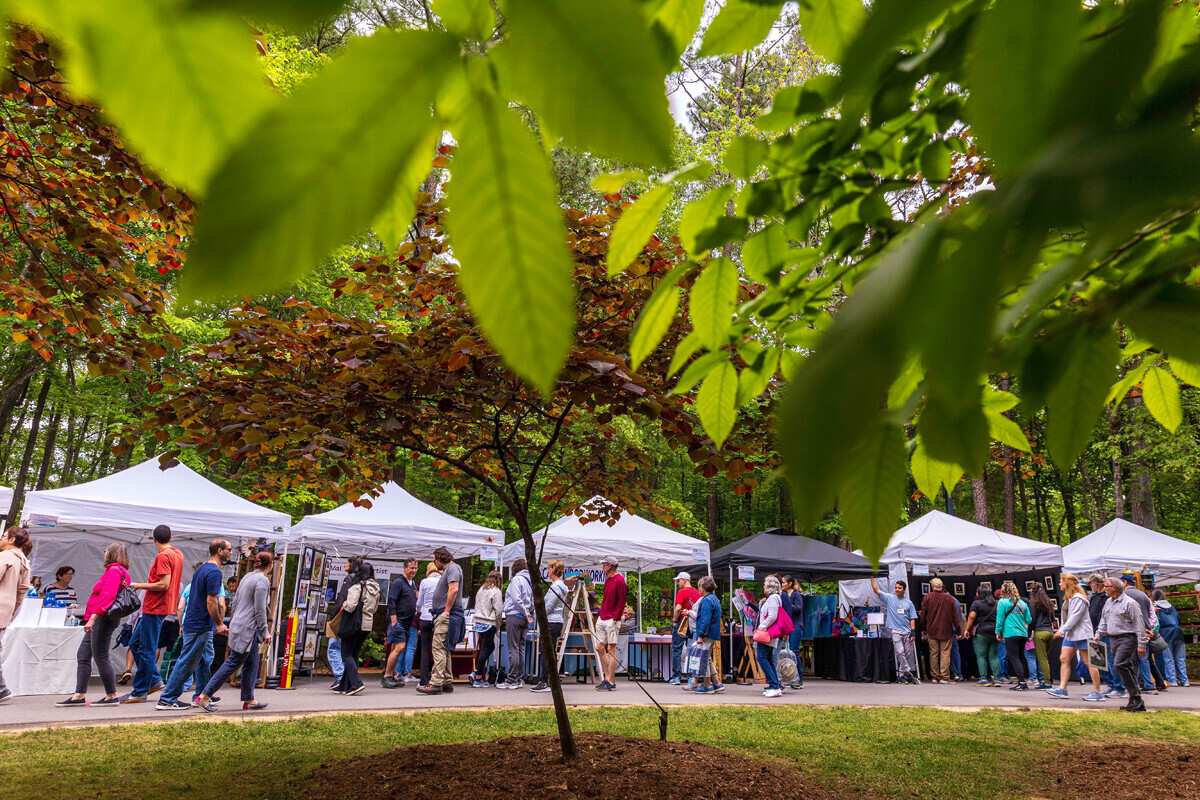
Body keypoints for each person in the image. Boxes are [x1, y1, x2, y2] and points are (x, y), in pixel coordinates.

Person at [193, 550, 274, 712]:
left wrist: (235, 621)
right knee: (233, 662)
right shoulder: (262, 581)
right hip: (248, 628)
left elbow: (235, 602)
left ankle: (249, 699)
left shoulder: (247, 577)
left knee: (252, 661)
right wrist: (265, 632)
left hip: (239, 624)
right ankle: (204, 696)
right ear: (271, 565)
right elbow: (260, 610)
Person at [156, 539, 231, 710]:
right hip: (199, 625)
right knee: (187, 661)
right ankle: (167, 699)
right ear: (219, 551)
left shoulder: (202, 568)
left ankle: (201, 696)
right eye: (229, 549)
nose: (231, 552)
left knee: (204, 660)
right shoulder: (214, 572)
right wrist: (219, 623)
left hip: (194, 622)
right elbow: (212, 601)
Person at [57, 544, 132, 707]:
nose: (104, 553)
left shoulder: (114, 571)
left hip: (102, 618)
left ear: (112, 554)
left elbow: (107, 596)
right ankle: (79, 694)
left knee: (101, 656)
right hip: (101, 617)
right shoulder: (120, 571)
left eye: (106, 551)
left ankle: (111, 695)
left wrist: (93, 618)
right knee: (83, 655)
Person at [120, 524, 183, 704]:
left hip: (154, 606)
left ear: (154, 539)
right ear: (170, 537)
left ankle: (139, 691)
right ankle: (155, 680)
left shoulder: (163, 556)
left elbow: (163, 584)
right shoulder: (177, 554)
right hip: (163, 606)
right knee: (135, 643)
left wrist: (139, 585)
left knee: (146, 648)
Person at [1046, 573, 1103, 701]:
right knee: (1064, 658)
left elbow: (1075, 617)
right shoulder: (1069, 598)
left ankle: (1097, 692)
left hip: (1081, 634)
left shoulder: (1078, 598)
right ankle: (1062, 689)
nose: (1059, 584)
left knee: (1089, 662)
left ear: (1067, 582)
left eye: (1061, 581)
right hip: (1071, 634)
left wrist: (1062, 630)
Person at [1095, 576, 1148, 712]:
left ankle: (1135, 697)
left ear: (1114, 588)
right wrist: (1098, 633)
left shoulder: (1130, 603)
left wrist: (1142, 644)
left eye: (1106, 586)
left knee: (1119, 664)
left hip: (1127, 638)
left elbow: (1139, 624)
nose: (1104, 589)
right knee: (1126, 667)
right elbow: (1104, 619)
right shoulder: (1108, 602)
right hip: (1113, 639)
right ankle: (1135, 699)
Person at [418, 547, 464, 696]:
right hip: (446, 614)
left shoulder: (452, 568)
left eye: (434, 560)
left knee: (437, 648)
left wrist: (446, 611)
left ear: (439, 559)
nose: (434, 563)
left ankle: (436, 683)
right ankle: (446, 681)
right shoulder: (451, 569)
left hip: (446, 615)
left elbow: (454, 590)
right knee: (444, 648)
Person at [335, 559, 380, 696]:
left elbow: (351, 605)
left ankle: (356, 684)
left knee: (346, 654)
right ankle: (345, 685)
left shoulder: (357, 586)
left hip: (354, 623)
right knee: (354, 653)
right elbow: (375, 608)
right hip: (367, 624)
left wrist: (344, 603)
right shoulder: (376, 588)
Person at [0, 527, 32, 703]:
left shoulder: (5, 556)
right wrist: (12, 611)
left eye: (3, 536)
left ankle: (2, 689)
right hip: (7, 607)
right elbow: (22, 591)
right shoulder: (24, 561)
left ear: (12, 540)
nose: (1, 539)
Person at [870, 575, 919, 684]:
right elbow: (876, 590)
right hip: (896, 631)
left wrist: (913, 631)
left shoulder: (909, 603)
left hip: (907, 631)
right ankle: (908, 673)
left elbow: (912, 618)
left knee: (908, 654)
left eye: (899, 588)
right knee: (900, 652)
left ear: (904, 590)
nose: (897, 589)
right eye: (896, 587)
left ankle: (902, 675)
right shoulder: (890, 598)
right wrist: (872, 577)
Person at [532, 560, 570, 693]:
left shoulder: (555, 586)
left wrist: (539, 610)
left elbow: (548, 606)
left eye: (548, 568)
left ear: (553, 569)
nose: (547, 571)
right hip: (555, 621)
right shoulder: (559, 586)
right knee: (550, 653)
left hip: (552, 622)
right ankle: (549, 680)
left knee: (546, 653)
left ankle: (544, 681)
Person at [382, 558, 418, 689]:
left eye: (415, 568)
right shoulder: (398, 582)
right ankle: (386, 676)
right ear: (404, 568)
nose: (413, 571)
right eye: (411, 568)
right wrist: (393, 619)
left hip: (408, 622)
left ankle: (392, 676)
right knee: (399, 647)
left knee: (397, 649)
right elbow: (391, 601)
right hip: (399, 621)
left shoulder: (411, 584)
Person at [500, 558, 534, 690]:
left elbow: (516, 598)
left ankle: (511, 679)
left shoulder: (516, 580)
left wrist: (524, 612)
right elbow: (531, 602)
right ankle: (519, 677)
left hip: (515, 615)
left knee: (513, 648)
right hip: (524, 618)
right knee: (520, 647)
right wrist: (528, 613)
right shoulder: (529, 581)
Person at [1120, 573, 1157, 693]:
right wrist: (1150, 628)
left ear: (1125, 583)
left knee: (1128, 659)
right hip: (1145, 630)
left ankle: (1131, 685)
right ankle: (1149, 685)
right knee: (1144, 658)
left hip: (1129, 630)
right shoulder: (1145, 595)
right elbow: (1153, 614)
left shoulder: (1124, 595)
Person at [918, 577, 960, 684]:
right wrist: (958, 630)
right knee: (945, 653)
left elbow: (923, 615)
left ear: (932, 586)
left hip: (932, 629)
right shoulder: (949, 598)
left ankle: (934, 677)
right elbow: (956, 616)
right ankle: (944, 677)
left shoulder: (927, 598)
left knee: (933, 653)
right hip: (946, 629)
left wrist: (923, 628)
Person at [594, 555, 626, 692]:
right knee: (599, 647)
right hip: (603, 617)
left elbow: (621, 601)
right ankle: (607, 678)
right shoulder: (608, 580)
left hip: (612, 619)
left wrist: (615, 618)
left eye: (604, 565)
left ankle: (611, 680)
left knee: (611, 649)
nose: (602, 567)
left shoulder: (620, 580)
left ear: (610, 566)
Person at [994, 581, 1031, 692]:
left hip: (1010, 633)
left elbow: (999, 619)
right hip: (1023, 633)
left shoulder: (1002, 602)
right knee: (1020, 658)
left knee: (1013, 658)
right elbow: (1029, 619)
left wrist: (998, 632)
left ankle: (1022, 683)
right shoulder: (1022, 603)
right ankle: (1023, 680)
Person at [325, 558, 355, 689]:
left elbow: (342, 597)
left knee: (333, 647)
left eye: (348, 563)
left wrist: (333, 615)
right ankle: (347, 678)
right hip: (352, 619)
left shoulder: (349, 579)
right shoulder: (360, 580)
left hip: (342, 617)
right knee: (345, 650)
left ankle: (341, 677)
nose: (345, 564)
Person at [692, 575, 724, 694]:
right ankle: (717, 683)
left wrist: (701, 635)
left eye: (699, 586)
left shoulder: (706, 600)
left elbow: (705, 620)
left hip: (706, 634)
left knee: (703, 659)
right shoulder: (714, 598)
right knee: (708, 658)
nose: (699, 589)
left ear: (703, 587)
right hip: (712, 634)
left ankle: (707, 685)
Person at [472, 570, 503, 687]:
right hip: (489, 622)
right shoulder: (496, 592)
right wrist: (498, 625)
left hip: (479, 621)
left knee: (489, 647)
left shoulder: (481, 589)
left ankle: (477, 671)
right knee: (485, 649)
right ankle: (478, 676)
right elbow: (499, 610)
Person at [964, 586, 1000, 686]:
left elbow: (971, 617)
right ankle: (996, 679)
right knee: (994, 656)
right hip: (994, 631)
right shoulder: (996, 603)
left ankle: (983, 679)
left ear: (978, 594)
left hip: (981, 632)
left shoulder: (976, 603)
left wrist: (967, 630)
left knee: (981, 656)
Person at [669, 571, 699, 685]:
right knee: (692, 650)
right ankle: (691, 677)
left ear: (684, 580)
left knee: (677, 649)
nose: (677, 583)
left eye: (679, 581)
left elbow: (678, 608)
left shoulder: (682, 592)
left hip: (683, 622)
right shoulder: (697, 593)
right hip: (694, 623)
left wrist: (675, 621)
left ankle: (676, 677)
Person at [756, 575, 784, 698]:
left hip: (767, 633)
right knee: (769, 659)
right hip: (769, 633)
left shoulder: (773, 598)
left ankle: (774, 685)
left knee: (762, 658)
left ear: (769, 587)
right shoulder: (773, 598)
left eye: (765, 584)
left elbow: (772, 616)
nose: (763, 586)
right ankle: (775, 685)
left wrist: (762, 627)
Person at [1153, 589, 1188, 687]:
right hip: (1178, 633)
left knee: (1168, 658)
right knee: (1180, 658)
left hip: (1165, 634)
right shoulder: (1171, 607)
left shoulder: (1156, 607)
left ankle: (1172, 680)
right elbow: (1178, 619)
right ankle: (1185, 680)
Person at [415, 561, 442, 688]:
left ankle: (424, 680)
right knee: (439, 649)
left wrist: (419, 610)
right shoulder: (444, 581)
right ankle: (438, 678)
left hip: (425, 617)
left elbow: (419, 602)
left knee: (425, 649)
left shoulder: (425, 582)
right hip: (439, 616)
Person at [1028, 584, 1056, 690]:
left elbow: (1032, 620)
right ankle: (1047, 679)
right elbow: (1053, 618)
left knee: (1042, 659)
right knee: (1046, 658)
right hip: (1050, 632)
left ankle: (1047, 683)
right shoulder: (1049, 602)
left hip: (1039, 632)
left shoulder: (1033, 603)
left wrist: (1028, 634)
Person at [782, 575, 804, 688]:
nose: (782, 585)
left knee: (794, 651)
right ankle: (791, 677)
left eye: (784, 582)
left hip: (796, 626)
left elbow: (799, 609)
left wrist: (787, 604)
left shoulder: (796, 594)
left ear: (790, 584)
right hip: (788, 626)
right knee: (788, 653)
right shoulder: (784, 595)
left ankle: (798, 679)